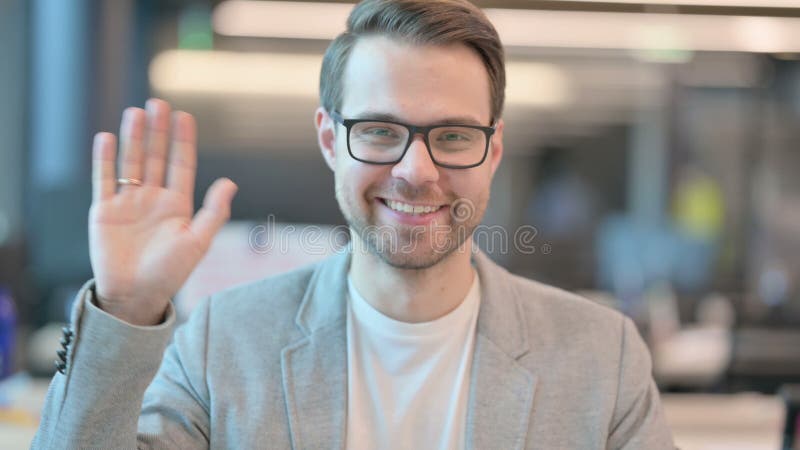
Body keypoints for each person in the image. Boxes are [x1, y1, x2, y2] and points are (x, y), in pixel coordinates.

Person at [32, 0, 675, 448]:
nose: (416, 170)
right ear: (329, 139)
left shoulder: (600, 356)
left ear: (494, 149)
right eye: (379, 131)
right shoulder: (222, 341)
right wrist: (126, 307)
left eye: (452, 135)